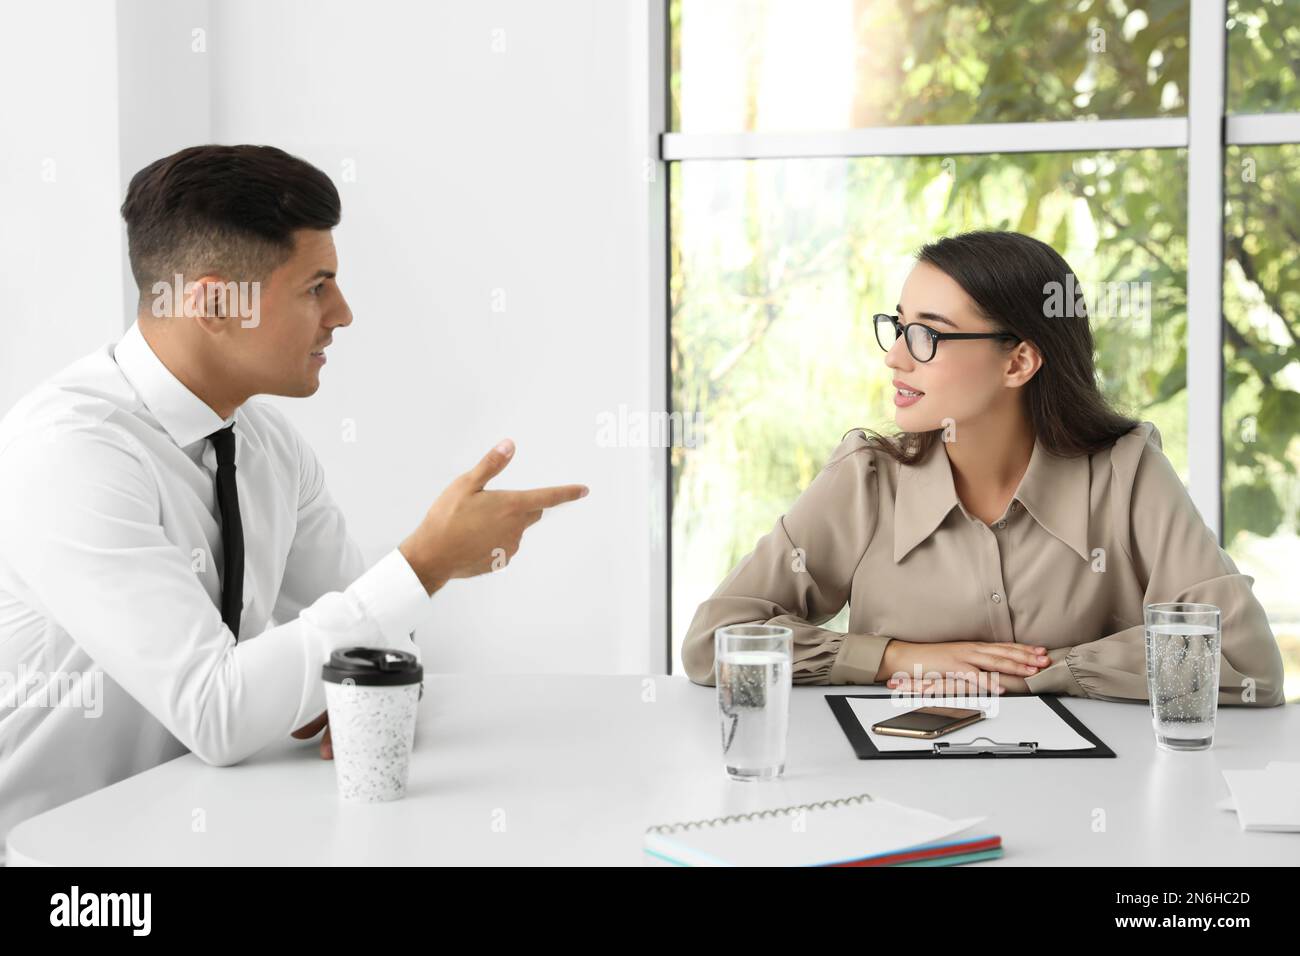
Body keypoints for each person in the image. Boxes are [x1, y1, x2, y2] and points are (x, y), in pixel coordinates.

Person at [0, 145, 588, 858]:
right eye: (317, 287)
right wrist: (424, 562)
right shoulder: (72, 453)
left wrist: (369, 688)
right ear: (217, 302)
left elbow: (377, 649)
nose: (342, 313)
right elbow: (216, 712)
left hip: (184, 835)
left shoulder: (267, 446)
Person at [682, 230, 1285, 706]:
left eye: (928, 335)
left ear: (1018, 361)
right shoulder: (867, 479)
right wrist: (893, 657)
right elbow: (715, 643)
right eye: (898, 327)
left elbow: (1245, 661)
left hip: (1098, 807)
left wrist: (1040, 672)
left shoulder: (1127, 474)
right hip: (900, 801)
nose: (895, 357)